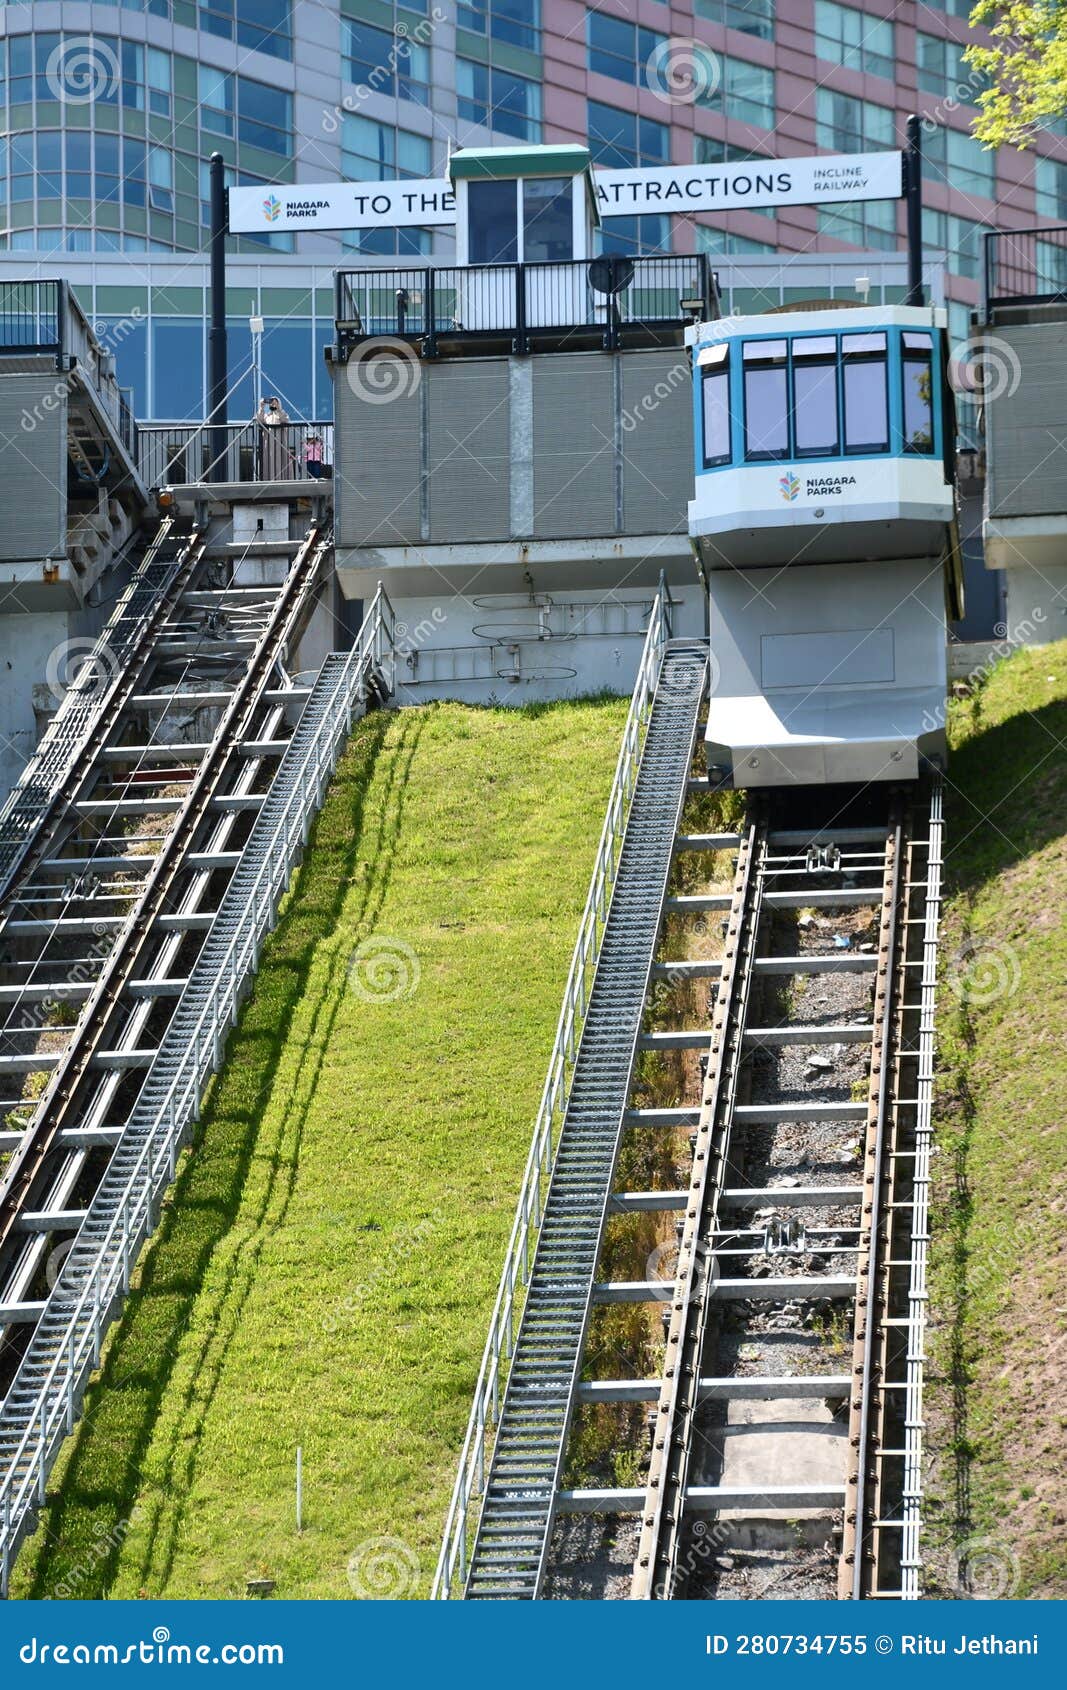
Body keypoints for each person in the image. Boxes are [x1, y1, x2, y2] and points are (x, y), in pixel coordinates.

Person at [256, 396, 290, 479]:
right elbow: (259, 420)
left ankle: (281, 479)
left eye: (274, 402)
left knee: (280, 461)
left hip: (280, 443)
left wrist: (278, 408)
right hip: (268, 443)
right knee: (268, 461)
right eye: (271, 403)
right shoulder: (267, 416)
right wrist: (261, 407)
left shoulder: (282, 413)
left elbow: (285, 420)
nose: (272, 404)